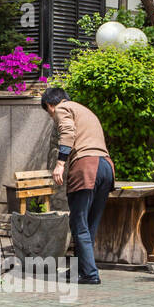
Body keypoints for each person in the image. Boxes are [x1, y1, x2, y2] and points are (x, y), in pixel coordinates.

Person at [40, 87, 115, 285]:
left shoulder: (63, 109)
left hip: (86, 166)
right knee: (90, 224)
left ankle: (90, 274)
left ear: (49, 105)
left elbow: (67, 131)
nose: (51, 115)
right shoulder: (84, 110)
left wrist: (60, 163)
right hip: (106, 167)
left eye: (49, 112)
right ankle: (80, 269)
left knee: (78, 222)